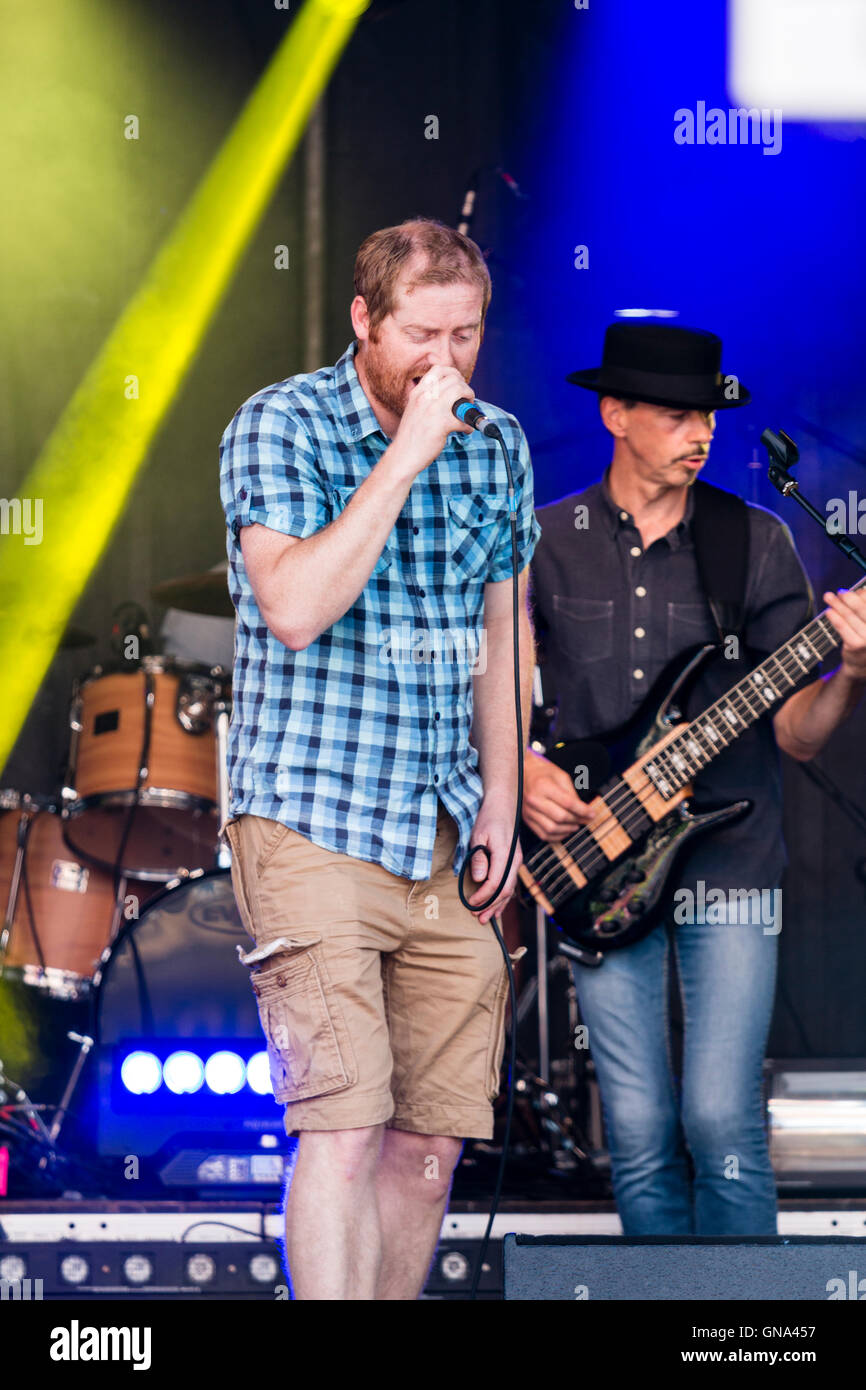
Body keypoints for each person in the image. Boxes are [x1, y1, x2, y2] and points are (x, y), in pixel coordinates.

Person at [218, 218, 539, 1299]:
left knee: (430, 1140)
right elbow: (297, 607)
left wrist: (501, 795)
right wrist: (404, 455)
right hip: (311, 814)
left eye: (465, 331)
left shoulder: (496, 443)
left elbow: (504, 629)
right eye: (417, 332)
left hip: (443, 828)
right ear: (363, 321)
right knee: (344, 1124)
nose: (442, 358)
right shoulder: (280, 425)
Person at [525, 320, 866, 1236]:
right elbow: (498, 694)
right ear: (615, 413)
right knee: (636, 1132)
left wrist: (853, 674)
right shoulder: (547, 541)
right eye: (676, 414)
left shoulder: (752, 542)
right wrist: (520, 767)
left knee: (721, 1123)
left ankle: (739, 1334)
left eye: (707, 414)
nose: (700, 432)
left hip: (731, 865)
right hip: (593, 863)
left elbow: (795, 734)